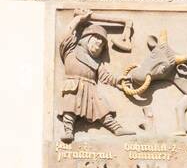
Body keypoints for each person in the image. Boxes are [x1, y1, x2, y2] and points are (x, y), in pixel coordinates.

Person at [57, 10, 134, 143]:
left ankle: (116, 128)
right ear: (87, 38)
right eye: (96, 40)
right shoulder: (70, 50)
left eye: (102, 44)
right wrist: (79, 19)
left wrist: (118, 81)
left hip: (90, 89)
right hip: (73, 85)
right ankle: (68, 130)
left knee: (102, 108)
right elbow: (65, 36)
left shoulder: (96, 63)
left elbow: (106, 77)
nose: (99, 44)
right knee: (70, 107)